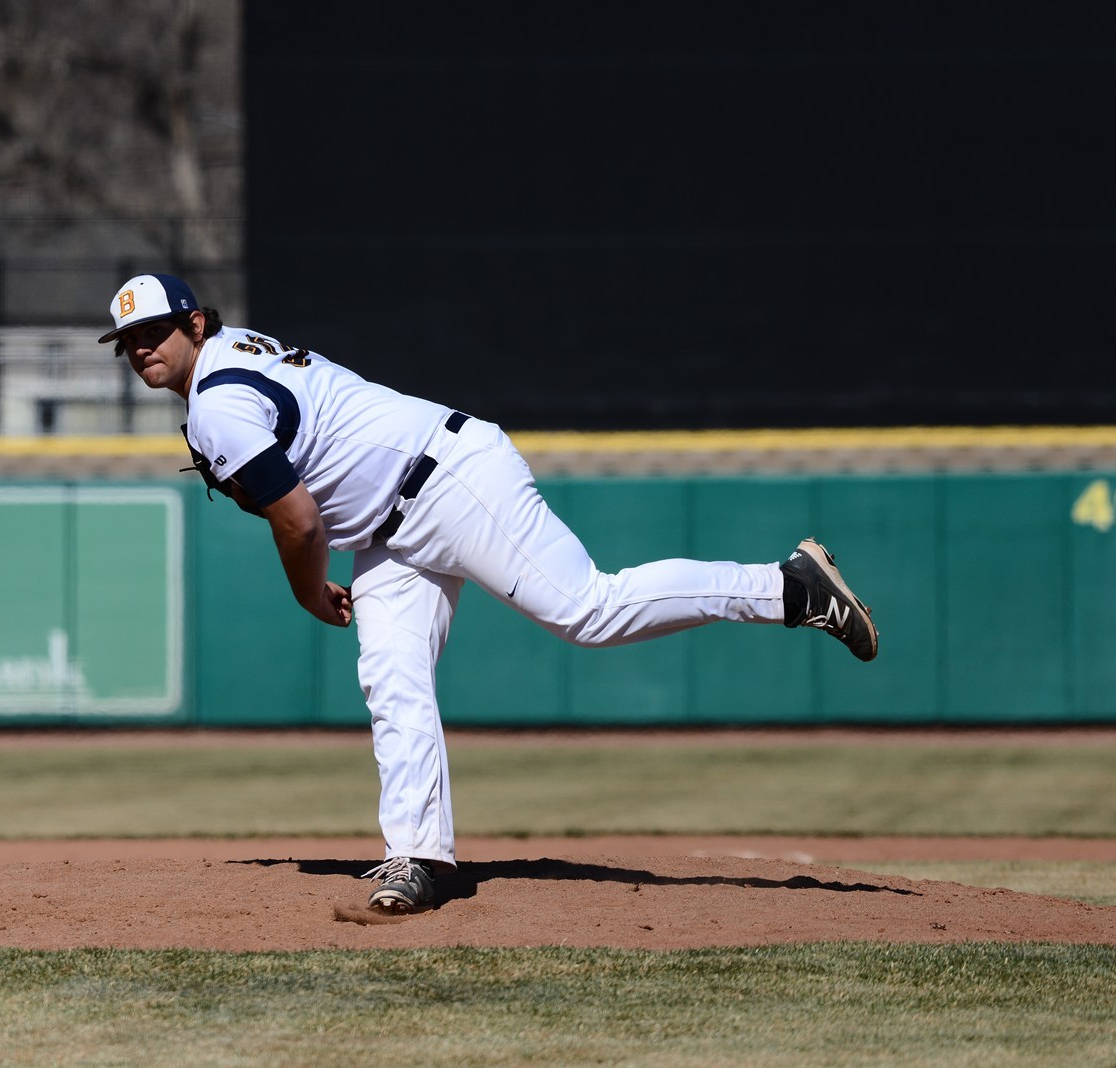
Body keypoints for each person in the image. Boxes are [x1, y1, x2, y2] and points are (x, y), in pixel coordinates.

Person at [100, 273, 878, 913]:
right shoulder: (234, 351)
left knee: (589, 611)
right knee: (392, 676)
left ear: (196, 323)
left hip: (448, 484)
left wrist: (308, 593)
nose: (142, 350)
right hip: (389, 527)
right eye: (128, 342)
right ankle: (416, 858)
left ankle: (787, 588)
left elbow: (298, 521)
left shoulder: (217, 401)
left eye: (155, 332)